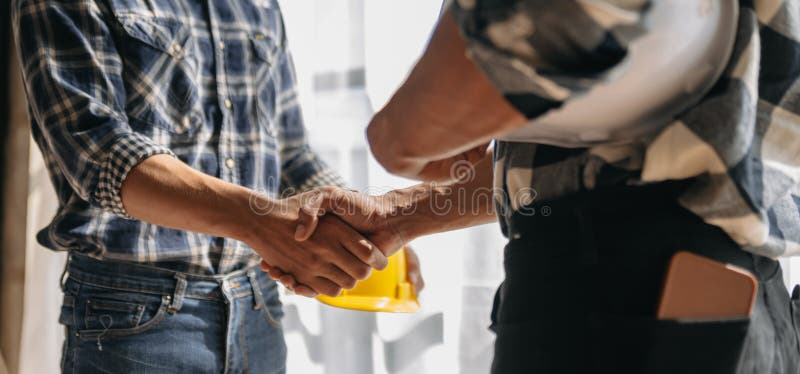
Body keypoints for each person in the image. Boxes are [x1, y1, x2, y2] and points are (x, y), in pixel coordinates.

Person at [266, 1, 800, 373]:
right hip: (744, 308)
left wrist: (396, 141)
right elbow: (609, 147)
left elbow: (560, 19)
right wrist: (399, 213)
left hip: (622, 295)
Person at [12, 0, 422, 372]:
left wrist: (362, 224)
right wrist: (261, 224)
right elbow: (99, 152)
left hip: (259, 307)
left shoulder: (260, 5)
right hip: (130, 315)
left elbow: (291, 154)